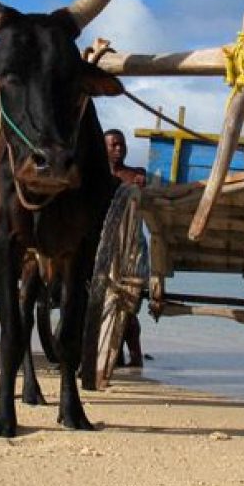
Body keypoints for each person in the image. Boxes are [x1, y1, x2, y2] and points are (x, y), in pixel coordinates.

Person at [103, 129, 148, 367]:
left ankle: (136, 355)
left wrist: (143, 185)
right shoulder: (96, 177)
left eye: (121, 145)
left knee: (129, 305)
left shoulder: (136, 175)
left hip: (132, 248)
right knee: (107, 303)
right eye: (113, 145)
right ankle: (114, 354)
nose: (119, 149)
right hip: (105, 249)